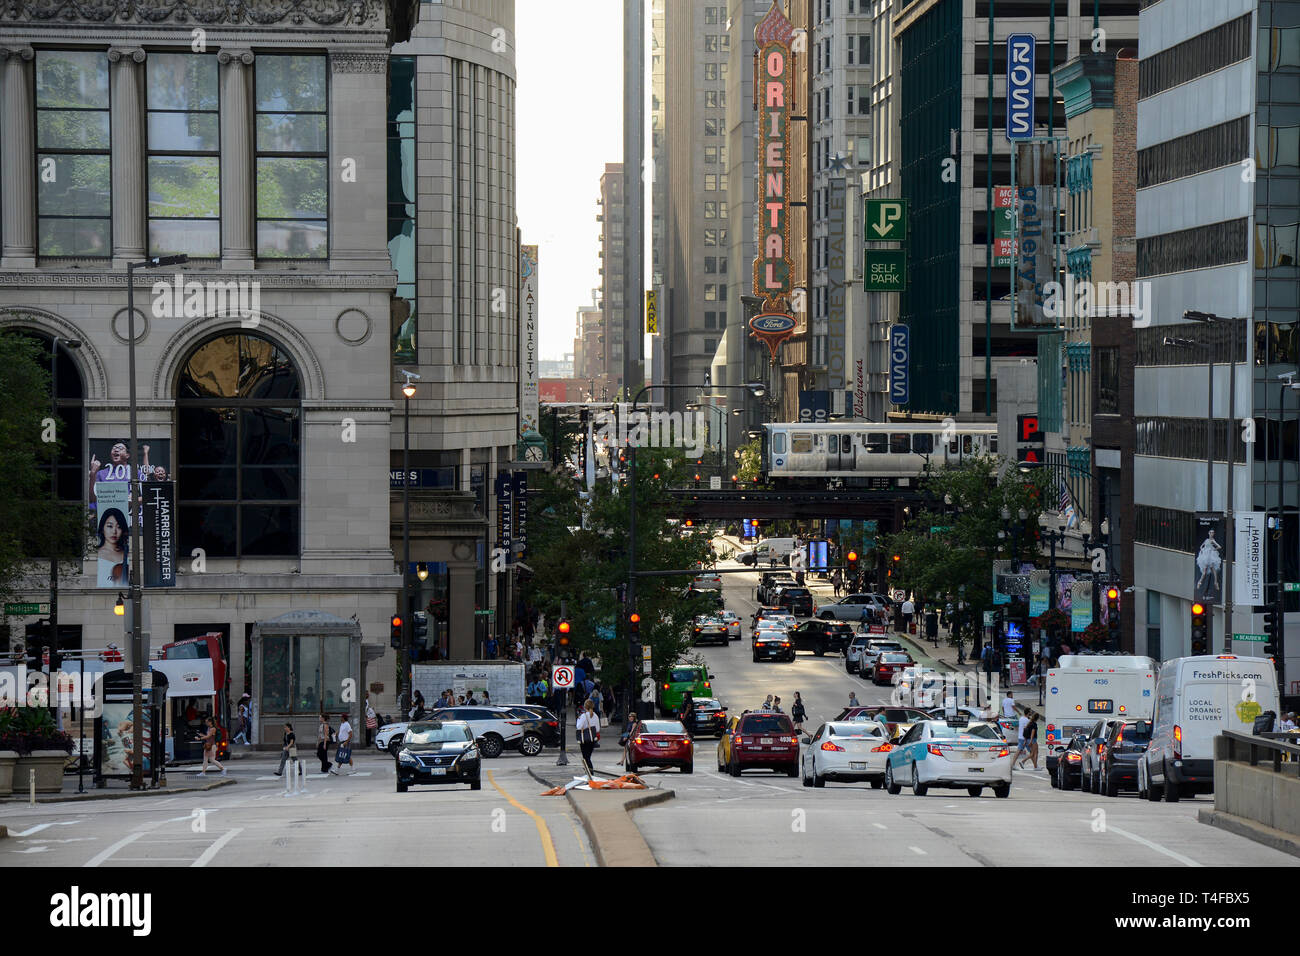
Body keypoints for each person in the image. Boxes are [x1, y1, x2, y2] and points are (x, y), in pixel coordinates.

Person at [94, 507, 130, 588]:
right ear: (102, 528)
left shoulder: (127, 553)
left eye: (119, 527)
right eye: (110, 526)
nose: (114, 531)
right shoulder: (97, 553)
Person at [576, 698, 600, 773]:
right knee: (588, 757)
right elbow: (598, 729)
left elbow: (579, 727)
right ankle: (589, 772)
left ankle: (590, 773)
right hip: (592, 739)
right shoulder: (595, 715)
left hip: (584, 739)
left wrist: (578, 719)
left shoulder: (583, 716)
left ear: (585, 707)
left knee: (585, 757)